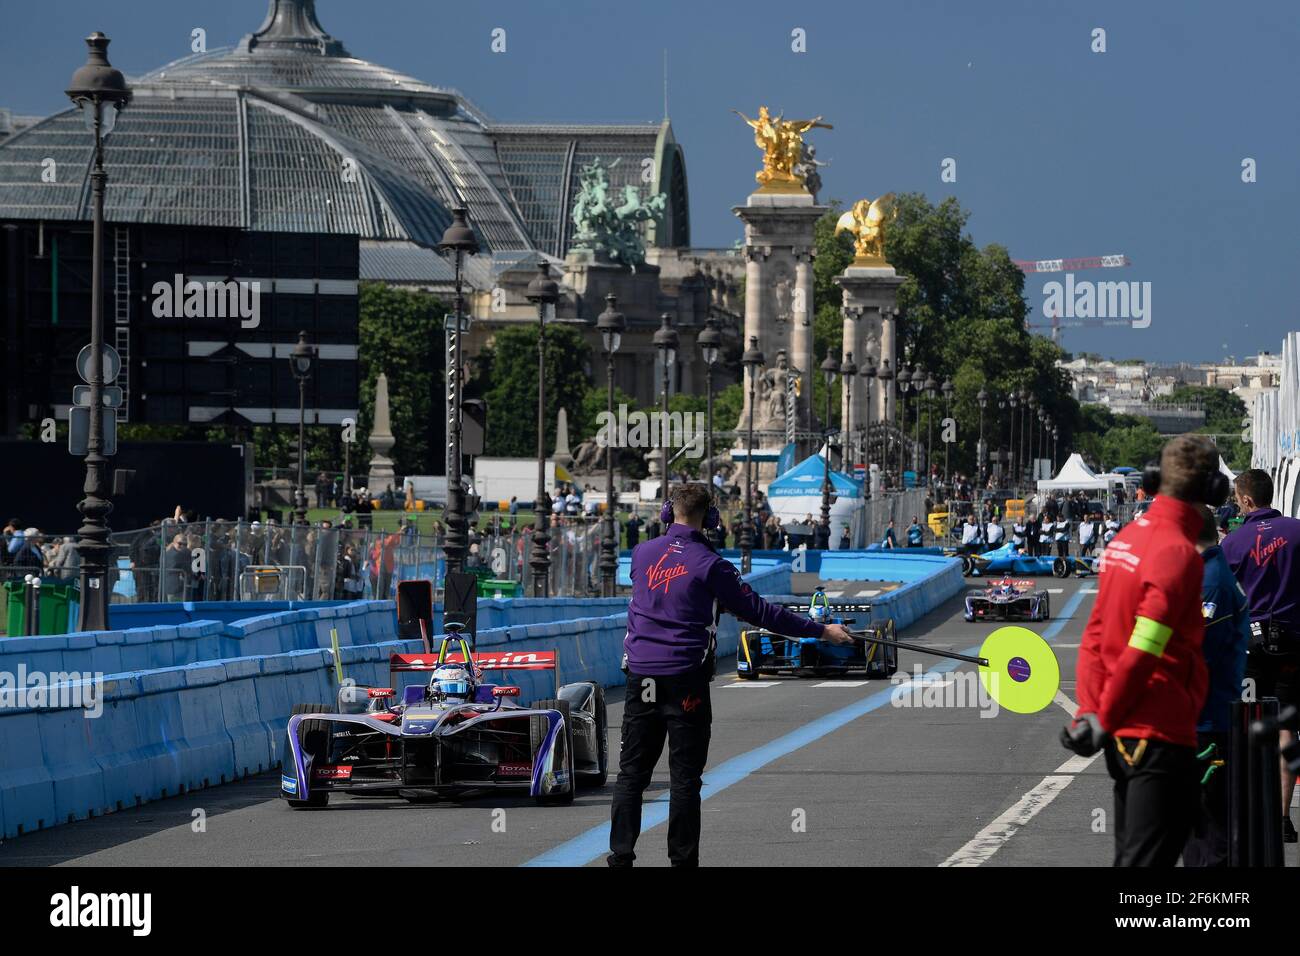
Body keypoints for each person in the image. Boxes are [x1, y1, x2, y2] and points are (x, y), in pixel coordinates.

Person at [609, 484, 855, 866]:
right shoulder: (713, 566)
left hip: (640, 676)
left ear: (666, 512)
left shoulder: (641, 554)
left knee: (631, 776)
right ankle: (682, 862)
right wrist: (821, 630)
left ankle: (620, 859)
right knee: (685, 780)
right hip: (685, 679)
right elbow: (761, 613)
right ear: (710, 519)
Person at [1066, 434, 1218, 866]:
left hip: (1123, 736)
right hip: (1159, 733)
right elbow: (1144, 649)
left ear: (1155, 478)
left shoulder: (1127, 539)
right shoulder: (1177, 553)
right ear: (1212, 491)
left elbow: (1095, 635)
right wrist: (1105, 717)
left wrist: (1090, 713)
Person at [1219, 468, 1300, 843]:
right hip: (1293, 642)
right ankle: (1282, 817)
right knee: (1287, 726)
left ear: (1247, 500)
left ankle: (1251, 813)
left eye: (1237, 499)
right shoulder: (1297, 531)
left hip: (1249, 645)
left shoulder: (1233, 543)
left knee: (1249, 724)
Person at [1183, 506, 1250, 867]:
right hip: (1206, 716)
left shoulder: (1209, 582)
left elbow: (1197, 657)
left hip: (1206, 721)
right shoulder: (1208, 572)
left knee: (1209, 830)